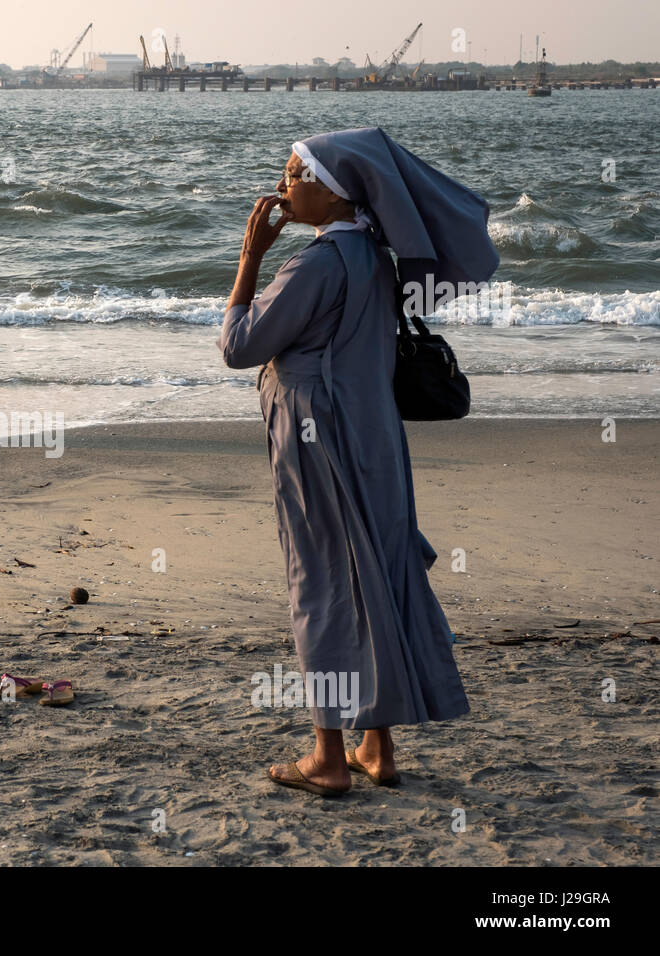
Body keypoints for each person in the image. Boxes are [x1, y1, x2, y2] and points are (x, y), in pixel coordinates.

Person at [217, 127, 498, 797]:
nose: (282, 187)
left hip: (318, 439)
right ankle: (378, 746)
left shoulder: (313, 266)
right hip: (370, 438)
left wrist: (250, 258)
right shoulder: (374, 258)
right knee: (375, 569)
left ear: (329, 191)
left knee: (323, 583)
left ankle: (328, 758)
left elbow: (240, 345)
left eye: (293, 175)